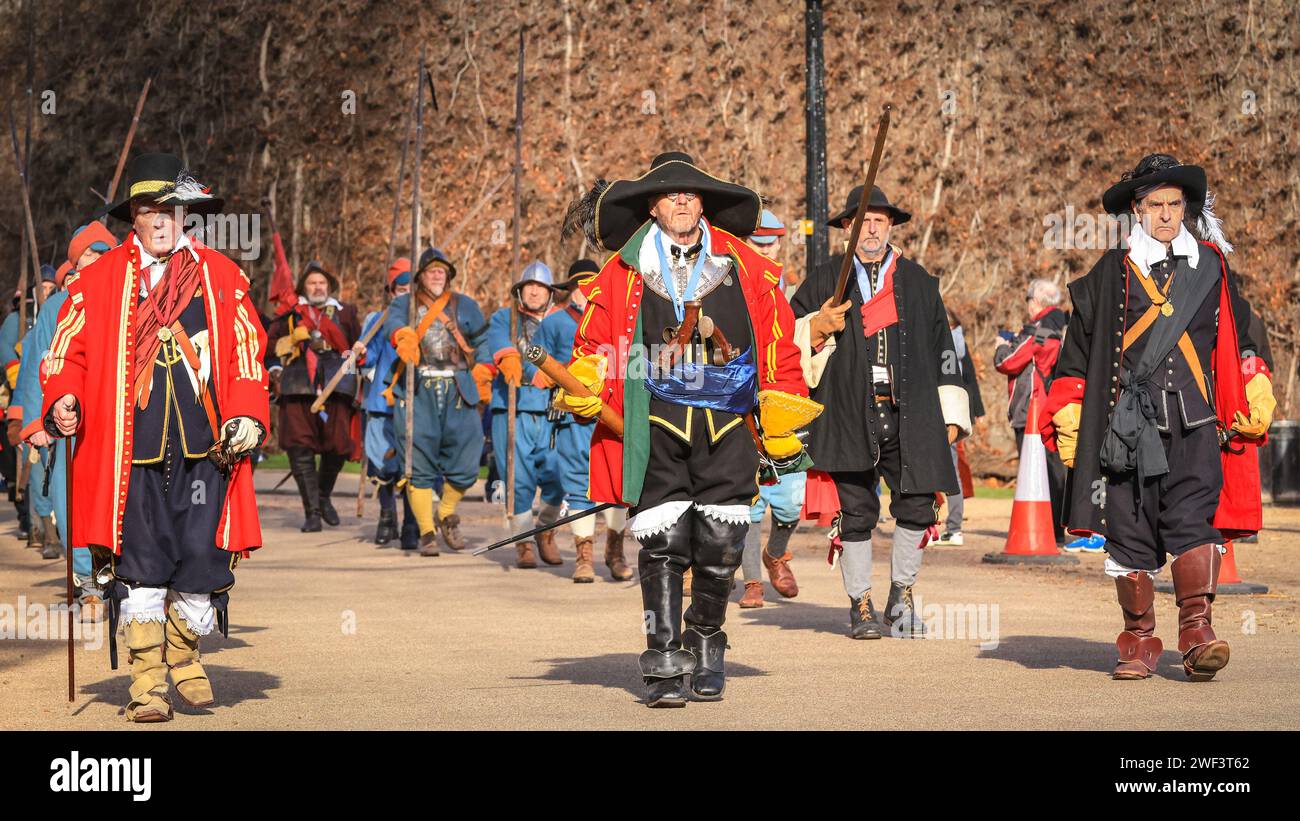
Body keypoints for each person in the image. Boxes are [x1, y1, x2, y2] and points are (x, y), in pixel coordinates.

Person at [556, 151, 816, 706]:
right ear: (651, 206)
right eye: (670, 194)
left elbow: (777, 343)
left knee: (721, 545)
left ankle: (705, 640)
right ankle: (663, 657)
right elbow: (597, 347)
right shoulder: (621, 271)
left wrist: (782, 406)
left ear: (704, 204)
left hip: (729, 421)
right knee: (663, 544)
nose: (681, 201)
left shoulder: (746, 265)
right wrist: (586, 380)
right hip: (651, 422)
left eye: (691, 194)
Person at [42, 152, 269, 722]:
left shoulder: (220, 274)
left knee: (200, 555)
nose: (163, 220)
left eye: (172, 209)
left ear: (184, 215)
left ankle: (187, 661)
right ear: (134, 219)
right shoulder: (97, 280)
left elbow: (246, 352)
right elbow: (66, 353)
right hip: (130, 449)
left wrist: (246, 413)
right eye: (151, 211)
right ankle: (146, 682)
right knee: (141, 560)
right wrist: (64, 396)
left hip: (203, 446)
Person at [1042, 153, 1273, 682]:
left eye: (1174, 205)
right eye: (1154, 205)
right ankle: (1140, 639)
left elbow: (1242, 336)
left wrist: (1255, 381)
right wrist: (1071, 413)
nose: (1166, 215)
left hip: (1196, 423)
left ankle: (1197, 633)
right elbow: (1077, 354)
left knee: (1195, 521)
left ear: (1184, 208)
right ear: (1136, 211)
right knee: (1130, 529)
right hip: (1128, 429)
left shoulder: (1212, 265)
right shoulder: (1109, 274)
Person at [791, 184, 971, 639]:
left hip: (911, 411)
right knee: (855, 512)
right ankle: (861, 605)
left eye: (879, 220)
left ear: (891, 226)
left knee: (915, 506)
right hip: (847, 411)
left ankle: (902, 597)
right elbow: (784, 338)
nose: (871, 228)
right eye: (862, 221)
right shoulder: (823, 280)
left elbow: (943, 350)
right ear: (847, 228)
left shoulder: (919, 281)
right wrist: (815, 325)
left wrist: (951, 414)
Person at [9, 222, 116, 620]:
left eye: (105, 254)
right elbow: (41, 363)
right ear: (76, 261)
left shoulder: (126, 299)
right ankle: (89, 586)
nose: (98, 261)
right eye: (91, 254)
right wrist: (36, 422)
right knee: (69, 505)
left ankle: (124, 583)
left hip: (115, 423)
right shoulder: (56, 308)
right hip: (67, 422)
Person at [382, 246, 487, 556]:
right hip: (417, 387)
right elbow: (394, 326)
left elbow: (482, 341)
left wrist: (483, 370)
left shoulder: (465, 305)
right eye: (431, 270)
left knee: (468, 456)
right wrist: (404, 336)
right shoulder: (403, 304)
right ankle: (427, 532)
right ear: (420, 276)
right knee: (417, 460)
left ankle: (446, 513)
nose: (438, 274)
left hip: (458, 388)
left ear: (449, 275)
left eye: (442, 270)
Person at [535, 259, 632, 582]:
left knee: (619, 484)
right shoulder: (555, 323)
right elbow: (537, 362)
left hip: (613, 412)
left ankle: (615, 551)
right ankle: (583, 555)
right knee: (578, 483)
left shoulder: (618, 317)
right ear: (571, 291)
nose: (586, 292)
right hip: (574, 418)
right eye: (580, 286)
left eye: (592, 284)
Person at [480, 261, 566, 568]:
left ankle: (544, 531)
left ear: (550, 292)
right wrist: (509, 357)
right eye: (529, 286)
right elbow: (498, 342)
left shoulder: (560, 321)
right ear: (520, 290)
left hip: (552, 409)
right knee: (519, 480)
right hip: (513, 408)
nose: (534, 291)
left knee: (558, 477)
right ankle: (523, 542)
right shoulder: (506, 318)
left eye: (540, 286)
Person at [737, 209, 802, 607]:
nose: (764, 249)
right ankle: (751, 582)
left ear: (779, 243)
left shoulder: (793, 291)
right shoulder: (729, 285)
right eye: (756, 242)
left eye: (770, 242)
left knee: (791, 497)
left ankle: (776, 553)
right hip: (741, 401)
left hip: (785, 400)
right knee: (748, 501)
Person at [267, 261, 361, 532]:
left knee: (338, 445)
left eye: (322, 282)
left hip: (337, 386)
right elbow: (269, 348)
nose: (318, 287)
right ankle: (312, 511)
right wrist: (286, 350)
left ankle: (322, 496)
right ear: (303, 288)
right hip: (297, 385)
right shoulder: (290, 314)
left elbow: (357, 349)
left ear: (329, 286)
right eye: (312, 283)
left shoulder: (346, 313)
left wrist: (355, 373)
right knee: (299, 447)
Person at [994, 278, 1070, 547]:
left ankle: (1047, 531)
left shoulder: (1042, 329)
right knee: (1053, 471)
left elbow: (1007, 361)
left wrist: (1001, 344)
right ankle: (1056, 530)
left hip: (1033, 411)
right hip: (1055, 408)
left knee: (1039, 471)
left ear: (1035, 302)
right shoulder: (1062, 326)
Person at [357, 258, 419, 549]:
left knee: (411, 465)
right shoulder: (376, 320)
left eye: (410, 289)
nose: (405, 295)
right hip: (382, 402)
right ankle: (386, 517)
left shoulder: (425, 317)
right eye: (401, 289)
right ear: (391, 291)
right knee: (383, 465)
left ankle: (411, 522)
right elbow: (366, 359)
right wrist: (359, 353)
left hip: (416, 402)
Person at [933, 307, 985, 546]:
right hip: (956, 412)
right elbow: (970, 379)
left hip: (938, 410)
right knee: (952, 470)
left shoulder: (938, 343)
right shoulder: (960, 345)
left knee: (928, 467)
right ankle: (954, 528)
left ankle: (931, 525)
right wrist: (977, 412)